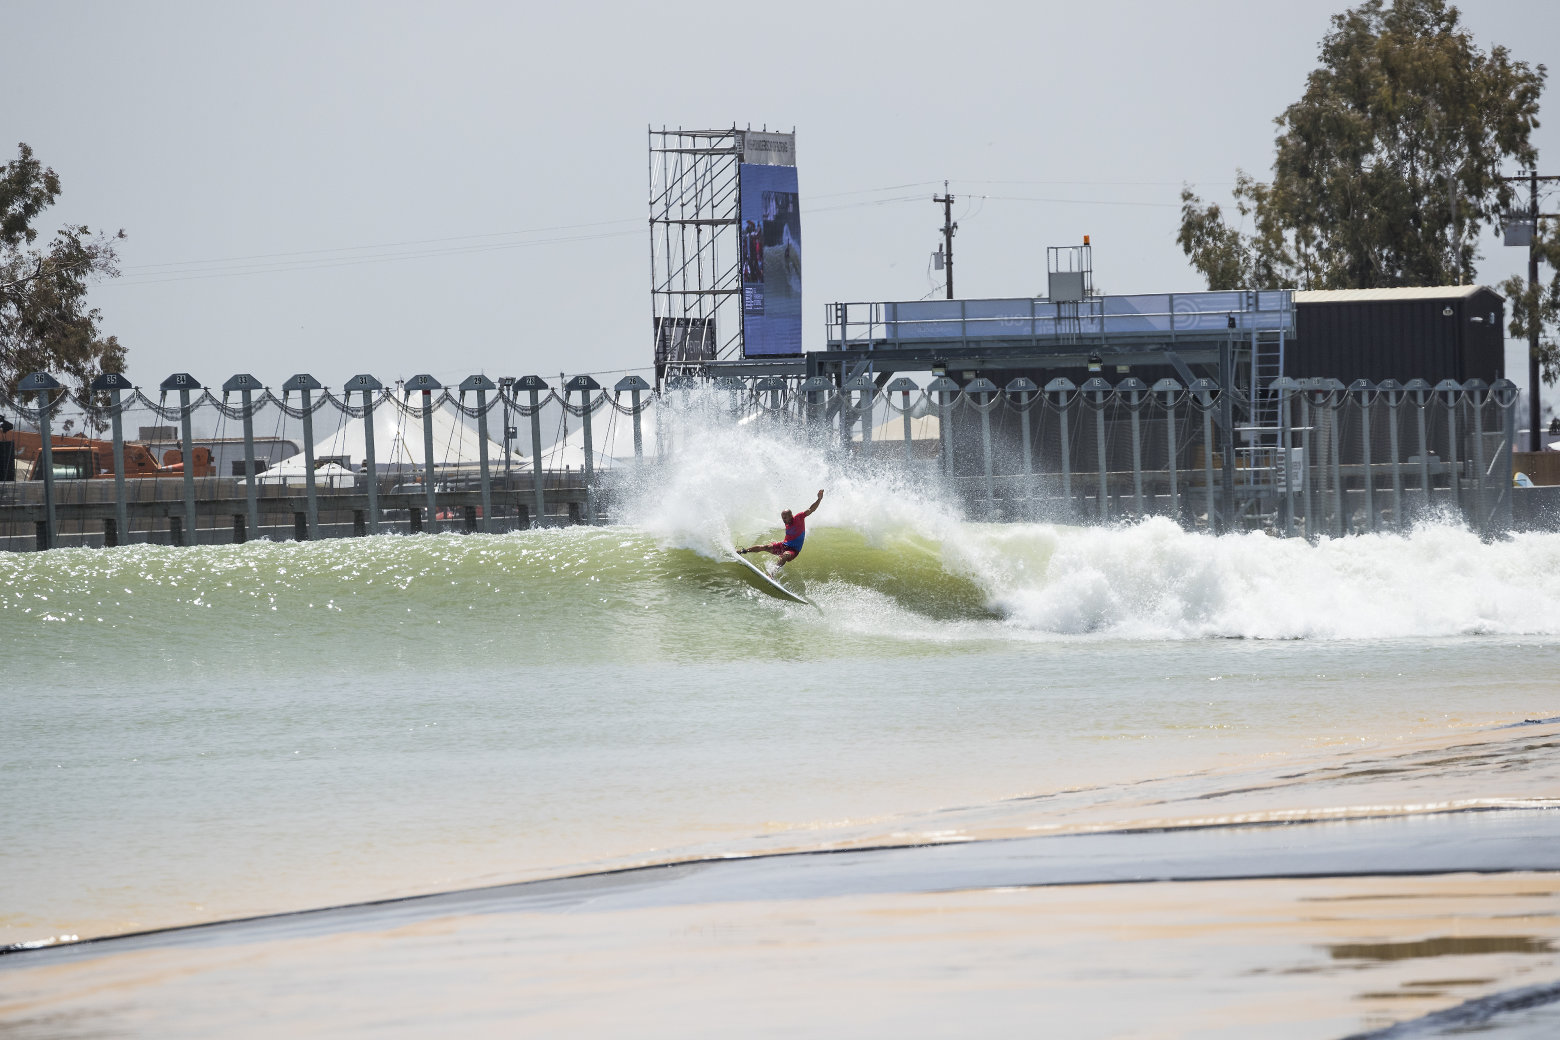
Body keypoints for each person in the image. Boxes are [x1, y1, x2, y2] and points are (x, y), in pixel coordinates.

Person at [739, 489, 824, 568]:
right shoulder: (786, 523)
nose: (784, 520)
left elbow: (811, 509)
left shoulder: (799, 518)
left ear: (791, 516)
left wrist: (819, 499)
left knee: (785, 555)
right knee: (765, 547)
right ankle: (743, 551)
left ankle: (772, 574)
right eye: (783, 518)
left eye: (785, 518)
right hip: (783, 545)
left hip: (793, 550)